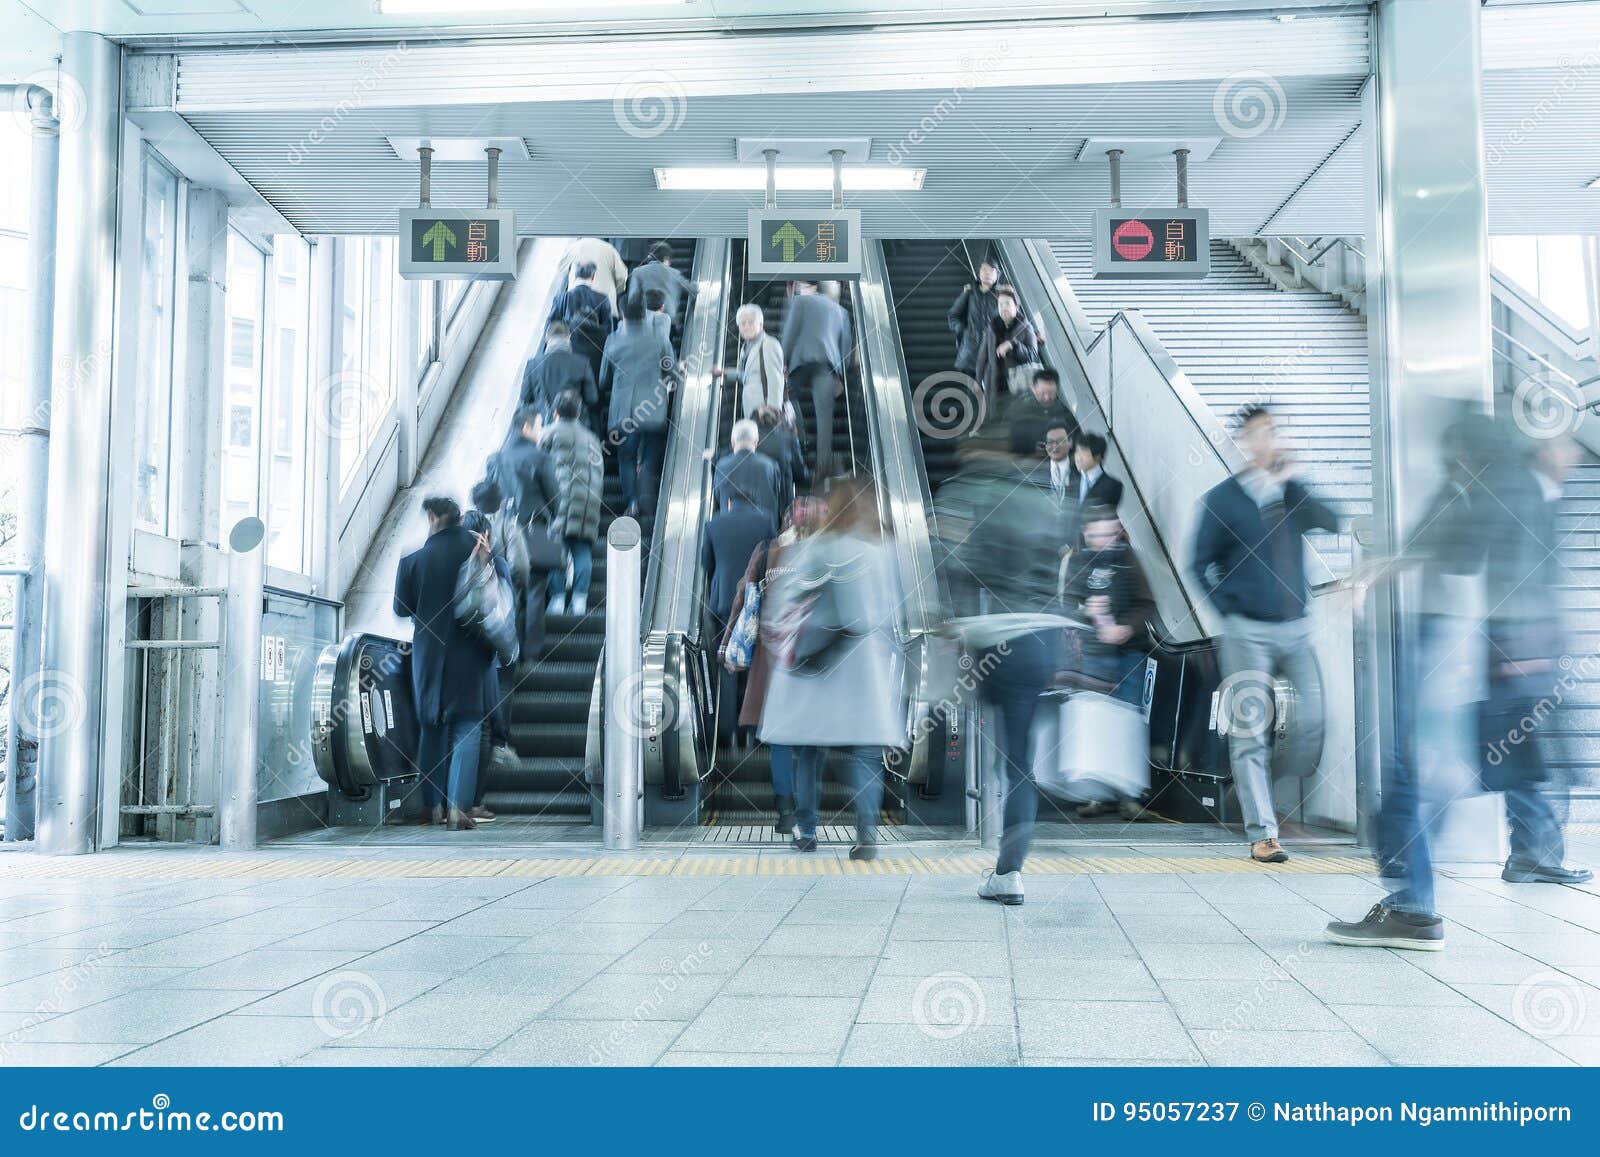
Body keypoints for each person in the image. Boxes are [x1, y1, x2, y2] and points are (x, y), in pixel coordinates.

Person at [1325, 415, 1494, 951]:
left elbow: (1423, 551)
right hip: (1445, 643)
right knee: (1410, 777)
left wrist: (1366, 576)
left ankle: (1414, 908)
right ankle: (1411, 903)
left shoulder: (1462, 499)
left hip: (1440, 646)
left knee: (1405, 777)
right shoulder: (1472, 498)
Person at [1190, 404, 1338, 864]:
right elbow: (1198, 564)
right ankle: (1263, 833)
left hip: (1295, 627)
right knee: (1250, 731)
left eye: (1272, 432)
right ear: (1242, 444)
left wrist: (1294, 481)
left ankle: (1273, 801)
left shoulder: (1291, 493)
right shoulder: (1222, 499)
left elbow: (1333, 521)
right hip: (1246, 632)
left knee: (1313, 721)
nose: (1267, 440)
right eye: (1258, 434)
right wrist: (1228, 614)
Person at [935, 440, 1069, 904]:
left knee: (1006, 760)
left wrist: (952, 617)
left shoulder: (985, 496)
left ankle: (1005, 869)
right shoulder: (1051, 505)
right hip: (1044, 643)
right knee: (1021, 764)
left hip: (999, 643)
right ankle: (1009, 870)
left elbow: (964, 567)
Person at [759, 477, 903, 859]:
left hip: (816, 668)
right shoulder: (879, 552)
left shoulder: (812, 549)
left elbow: (781, 605)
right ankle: (867, 836)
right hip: (863, 668)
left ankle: (807, 831)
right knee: (867, 753)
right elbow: (892, 612)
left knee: (809, 750)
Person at [1479, 432, 1592, 886]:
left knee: (1529, 756)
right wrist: (1516, 649)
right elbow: (1510, 577)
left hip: (1529, 648)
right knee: (1533, 755)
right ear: (1543, 448)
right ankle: (1535, 854)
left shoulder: (1539, 495)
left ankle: (1531, 852)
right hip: (1521, 652)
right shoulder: (1523, 495)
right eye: (1567, 445)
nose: (1576, 454)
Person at [719, 497, 826, 834]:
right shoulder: (824, 554)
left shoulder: (766, 551)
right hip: (810, 653)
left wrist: (727, 644)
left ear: (784, 520)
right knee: (810, 735)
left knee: (779, 734)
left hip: (770, 654)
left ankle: (786, 810)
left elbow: (743, 596)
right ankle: (807, 812)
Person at [393, 495, 499, 830]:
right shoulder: (476, 548)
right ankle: (458, 809)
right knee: (467, 727)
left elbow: (401, 609)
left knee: (431, 728)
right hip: (470, 651)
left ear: (432, 516)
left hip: (428, 655)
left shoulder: (413, 559)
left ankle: (430, 808)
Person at [1064, 506, 1155, 820]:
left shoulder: (1128, 559)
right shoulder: (1078, 561)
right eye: (1094, 534)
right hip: (1093, 654)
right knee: (1096, 723)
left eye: (1106, 533)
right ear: (1086, 533)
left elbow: (1146, 604)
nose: (1100, 540)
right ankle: (1098, 794)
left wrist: (1125, 627)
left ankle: (1129, 795)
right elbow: (1065, 605)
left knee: (1127, 720)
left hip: (1128, 652)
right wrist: (1085, 611)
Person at [703, 494, 779, 748]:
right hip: (759, 602)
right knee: (756, 667)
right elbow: (772, 556)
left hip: (726, 601)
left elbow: (707, 565)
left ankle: (727, 734)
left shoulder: (714, 524)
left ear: (730, 503)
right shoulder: (766, 519)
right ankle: (753, 732)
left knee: (729, 664)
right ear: (753, 501)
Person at [602, 292, 679, 520]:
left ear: (623, 313)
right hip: (654, 410)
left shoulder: (613, 340)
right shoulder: (659, 339)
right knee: (649, 456)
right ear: (645, 312)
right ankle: (648, 497)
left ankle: (633, 502)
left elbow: (603, 380)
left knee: (625, 458)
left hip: (624, 413)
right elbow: (671, 371)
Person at [495, 406, 562, 660]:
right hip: (535, 532)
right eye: (537, 425)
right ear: (526, 428)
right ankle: (532, 653)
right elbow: (555, 498)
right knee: (535, 591)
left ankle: (508, 651)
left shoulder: (498, 457)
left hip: (505, 532)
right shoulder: (540, 457)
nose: (540, 430)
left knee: (509, 591)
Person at [541, 389, 605, 616]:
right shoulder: (592, 439)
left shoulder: (548, 433)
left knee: (556, 549)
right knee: (581, 550)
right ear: (579, 413)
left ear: (555, 411)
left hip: (557, 498)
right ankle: (579, 601)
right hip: (588, 500)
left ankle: (557, 599)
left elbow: (538, 466)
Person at [780, 280, 852, 480]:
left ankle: (800, 438)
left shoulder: (801, 302)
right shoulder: (841, 313)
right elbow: (845, 347)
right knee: (824, 418)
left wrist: (782, 363)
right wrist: (840, 375)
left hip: (800, 363)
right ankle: (823, 469)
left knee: (784, 396)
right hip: (827, 367)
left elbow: (789, 334)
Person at [715, 303, 786, 418]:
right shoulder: (746, 347)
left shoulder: (769, 344)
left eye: (751, 322)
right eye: (742, 323)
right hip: (752, 407)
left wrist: (773, 409)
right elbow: (747, 375)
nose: (746, 327)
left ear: (761, 324)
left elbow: (776, 378)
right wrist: (724, 372)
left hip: (766, 410)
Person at [548, 261, 614, 386]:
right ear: (593, 277)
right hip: (594, 359)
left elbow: (551, 326)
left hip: (568, 356)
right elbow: (608, 330)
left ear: (574, 276)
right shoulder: (602, 298)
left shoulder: (561, 298)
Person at [519, 321, 597, 424]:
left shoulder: (532, 365)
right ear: (569, 338)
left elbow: (525, 398)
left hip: (542, 426)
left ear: (547, 339)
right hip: (575, 424)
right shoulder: (582, 363)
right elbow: (592, 398)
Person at [714, 418, 784, 521]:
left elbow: (717, 497)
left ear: (733, 442)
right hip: (764, 530)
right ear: (756, 442)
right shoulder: (770, 465)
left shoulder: (721, 466)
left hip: (730, 528)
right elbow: (777, 496)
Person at [947, 258, 1000, 379]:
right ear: (979, 273)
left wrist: (1035, 333)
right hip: (971, 352)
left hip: (993, 350)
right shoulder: (969, 292)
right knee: (973, 392)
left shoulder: (1000, 296)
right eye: (984, 269)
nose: (988, 273)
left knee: (991, 393)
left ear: (997, 275)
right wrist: (962, 329)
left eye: (992, 270)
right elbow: (952, 315)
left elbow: (1015, 318)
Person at [1008, 367, 1077, 459]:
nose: (1047, 398)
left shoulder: (1064, 413)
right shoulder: (1020, 410)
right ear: (1033, 388)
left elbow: (1075, 440)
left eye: (1051, 393)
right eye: (1042, 393)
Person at [628, 241, 695, 333]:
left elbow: (632, 298)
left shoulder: (637, 272)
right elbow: (692, 289)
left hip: (644, 319)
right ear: (666, 258)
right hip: (669, 319)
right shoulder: (674, 273)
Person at [988, 286, 1039, 397]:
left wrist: (1013, 345)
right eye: (1000, 304)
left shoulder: (1026, 327)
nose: (1003, 307)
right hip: (995, 388)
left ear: (1016, 306)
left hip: (1017, 389)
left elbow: (1032, 355)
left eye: (1007, 303)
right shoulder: (993, 327)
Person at [754, 404, 808, 511]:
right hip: (782, 499)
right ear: (778, 419)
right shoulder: (788, 438)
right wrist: (806, 475)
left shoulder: (748, 440)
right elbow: (798, 470)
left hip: (754, 499)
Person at [560, 237, 629, 312]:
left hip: (577, 306)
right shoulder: (610, 249)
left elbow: (561, 268)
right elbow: (622, 276)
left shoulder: (574, 247)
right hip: (606, 305)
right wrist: (616, 292)